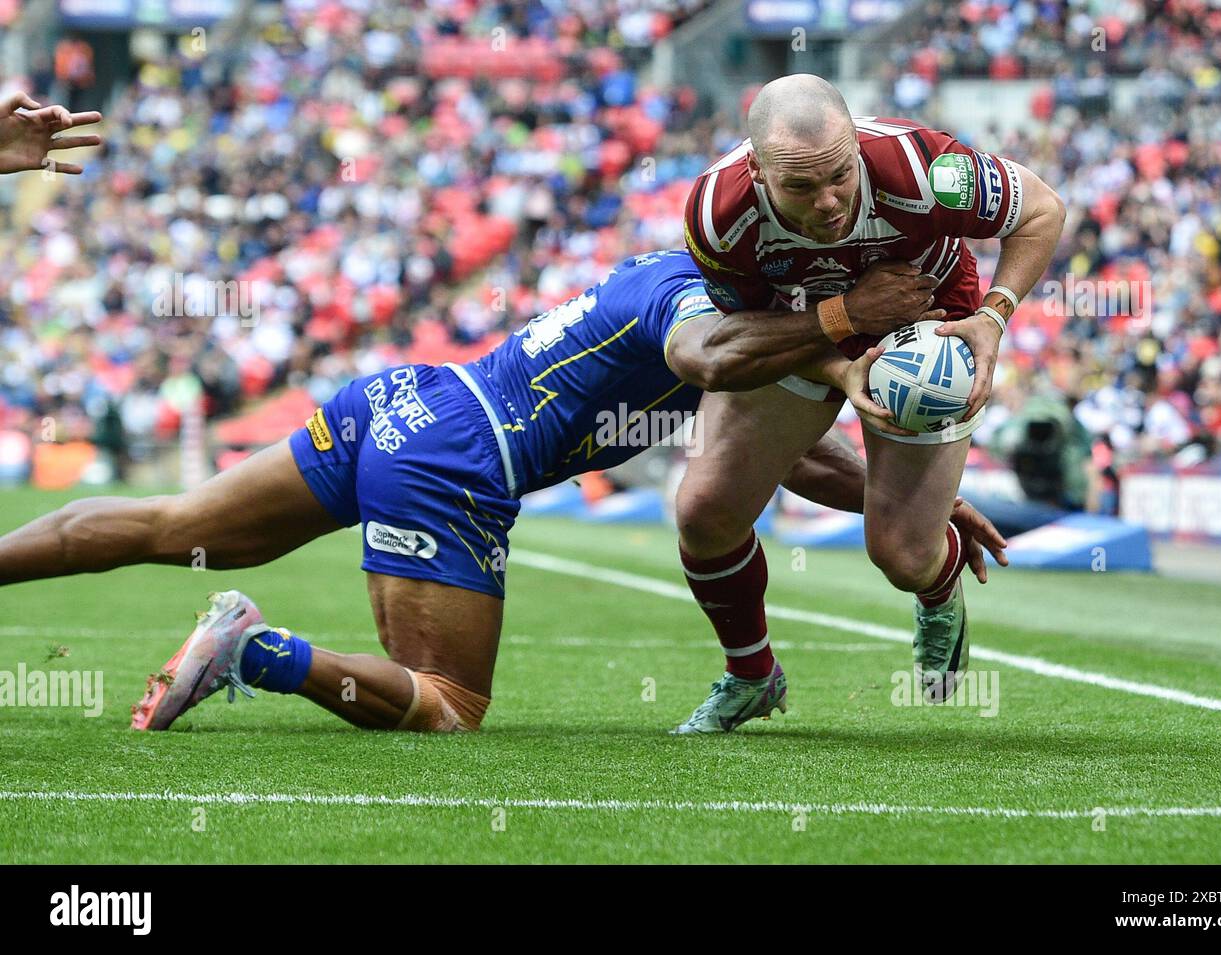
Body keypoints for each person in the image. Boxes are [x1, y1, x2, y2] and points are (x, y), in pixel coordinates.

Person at [0, 250, 1008, 733]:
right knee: (448, 706)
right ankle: (258, 651)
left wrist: (904, 502)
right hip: (457, 462)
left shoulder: (687, 279)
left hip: (401, 400)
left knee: (177, 525)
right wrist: (841, 324)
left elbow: (780, 460)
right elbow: (711, 359)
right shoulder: (703, 314)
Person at [673, 74, 1063, 731]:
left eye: (839, 175)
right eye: (801, 186)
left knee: (901, 555)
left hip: (929, 320)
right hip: (805, 328)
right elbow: (746, 330)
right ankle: (751, 676)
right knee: (706, 510)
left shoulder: (923, 167)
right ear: (758, 172)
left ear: (856, 145)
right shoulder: (718, 215)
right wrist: (841, 357)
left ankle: (938, 581)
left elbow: (1042, 209)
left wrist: (995, 317)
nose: (828, 202)